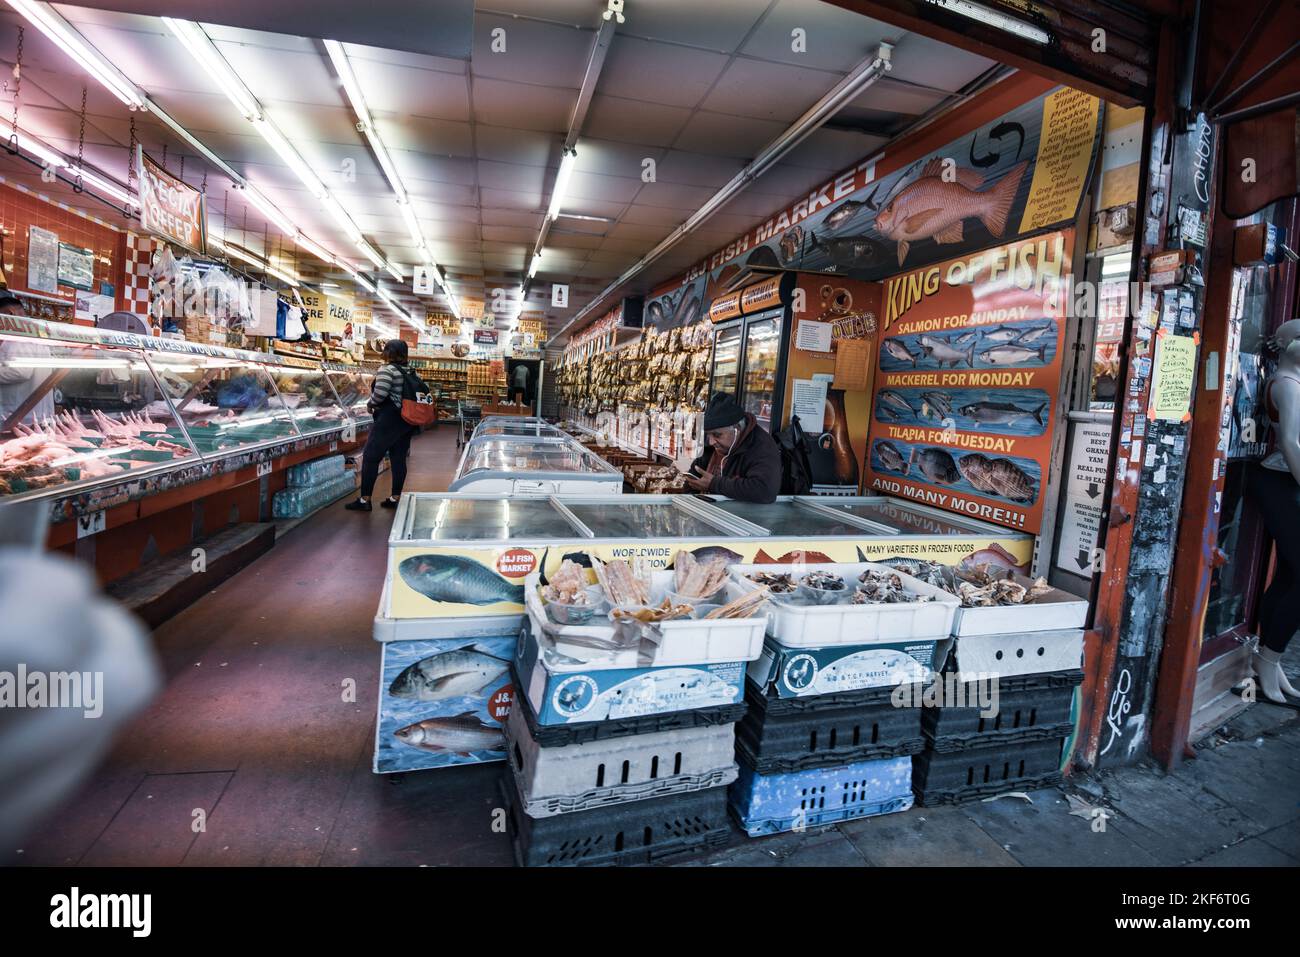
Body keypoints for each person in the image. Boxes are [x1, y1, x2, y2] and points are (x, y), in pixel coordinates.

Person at [1245, 317, 1300, 704]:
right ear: (1287, 344)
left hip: (1285, 483)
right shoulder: (1287, 385)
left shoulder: (1294, 384)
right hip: (1283, 482)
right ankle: (1268, 659)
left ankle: (1269, 658)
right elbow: (1292, 441)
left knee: (1288, 575)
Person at [346, 339, 419, 512]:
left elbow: (380, 395)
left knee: (371, 456)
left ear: (389, 352)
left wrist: (370, 404)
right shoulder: (410, 371)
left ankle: (365, 500)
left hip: (388, 420)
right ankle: (395, 498)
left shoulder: (387, 370)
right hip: (405, 421)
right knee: (399, 459)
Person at [682, 392, 782, 503]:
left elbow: (765, 491)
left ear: (737, 429)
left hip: (743, 518)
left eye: (717, 435)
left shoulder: (762, 447)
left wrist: (714, 484)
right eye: (708, 435)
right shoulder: (713, 445)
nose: (711, 442)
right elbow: (693, 479)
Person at [0, 295, 56, 429]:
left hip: (22, 417)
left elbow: (20, 371)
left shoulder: (19, 336)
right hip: (32, 415)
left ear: (9, 314)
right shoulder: (34, 332)